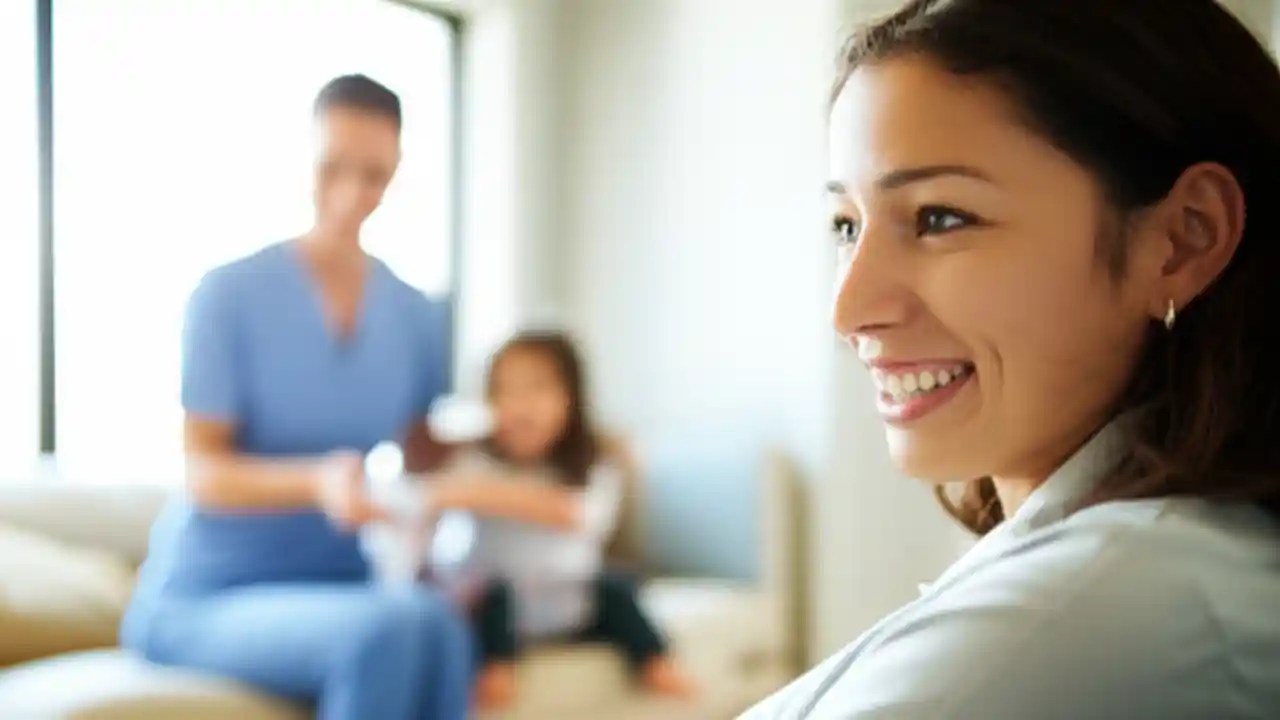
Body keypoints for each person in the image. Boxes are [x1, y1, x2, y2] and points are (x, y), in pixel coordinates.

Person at [744, 0, 1280, 717]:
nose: (848, 310)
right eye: (847, 225)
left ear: (1182, 239)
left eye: (940, 218)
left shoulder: (1117, 605)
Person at [120, 75, 473, 720]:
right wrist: (317, 482)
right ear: (305, 157)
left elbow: (422, 457)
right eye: (332, 167)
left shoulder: (414, 314)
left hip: (344, 584)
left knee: (443, 627)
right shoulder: (227, 296)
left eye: (374, 175)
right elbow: (204, 472)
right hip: (211, 596)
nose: (350, 194)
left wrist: (532, 447)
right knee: (387, 632)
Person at [423, 331, 695, 709]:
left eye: (536, 389)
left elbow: (578, 515)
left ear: (571, 398)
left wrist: (483, 493)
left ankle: (655, 661)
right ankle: (497, 668)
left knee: (617, 590)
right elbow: (431, 506)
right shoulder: (473, 462)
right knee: (489, 598)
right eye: (504, 391)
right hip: (502, 603)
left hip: (569, 599)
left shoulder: (592, 465)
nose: (520, 406)